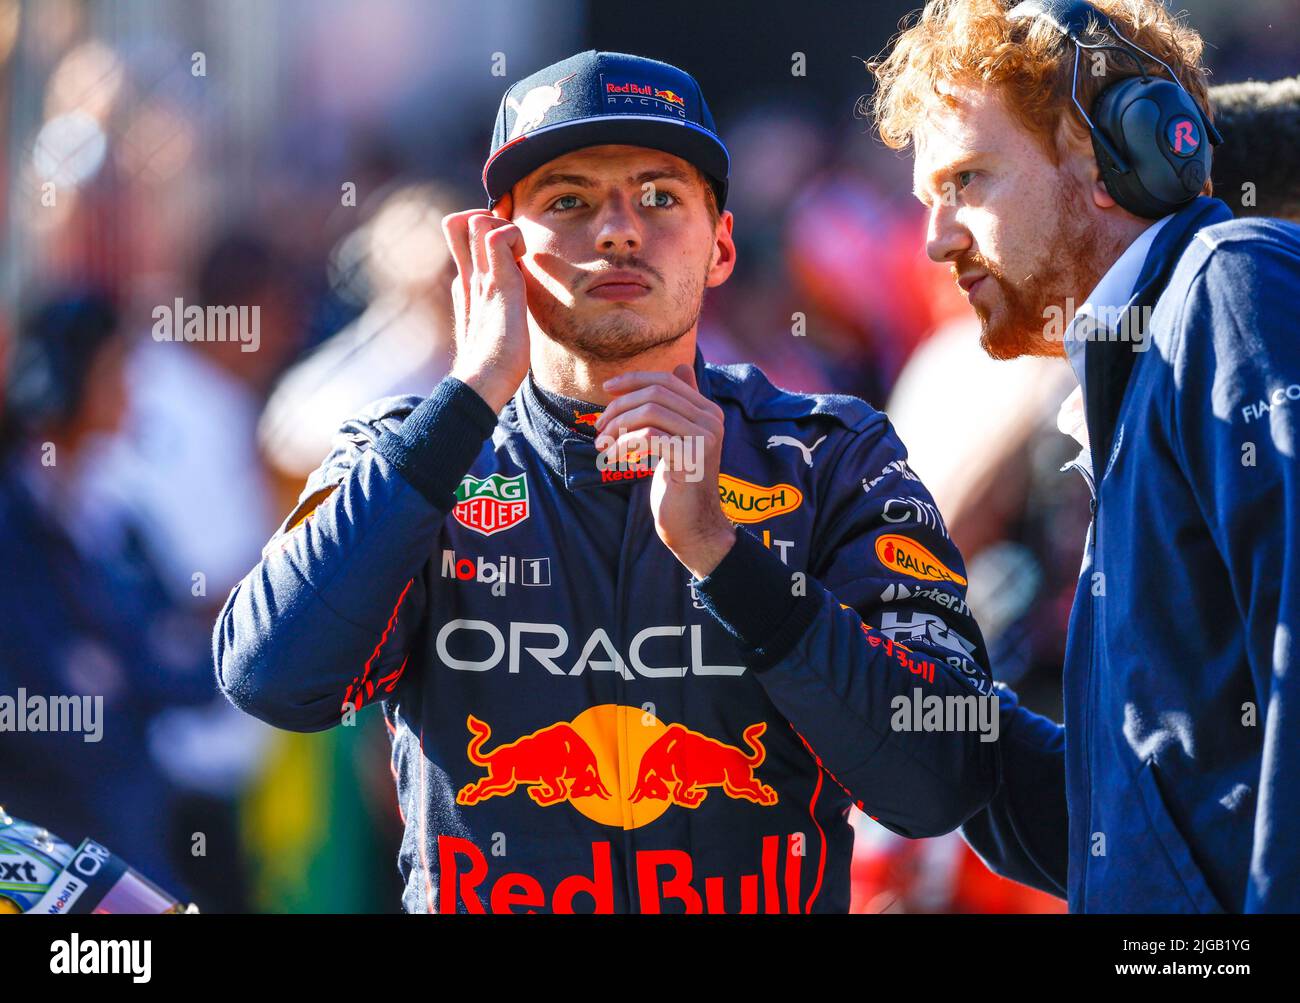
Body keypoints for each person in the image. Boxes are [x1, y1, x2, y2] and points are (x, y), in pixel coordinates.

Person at [216, 50, 1000, 914]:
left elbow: (943, 777)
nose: (619, 230)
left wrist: (729, 563)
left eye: (660, 196)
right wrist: (471, 393)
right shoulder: (414, 454)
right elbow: (272, 679)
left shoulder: (830, 455)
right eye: (570, 200)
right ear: (500, 250)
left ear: (722, 246)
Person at [870, 0, 1300, 912]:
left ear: (1112, 159)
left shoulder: (1231, 282)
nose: (935, 239)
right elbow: (1127, 831)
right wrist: (839, 660)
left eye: (967, 180)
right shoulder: (1141, 363)